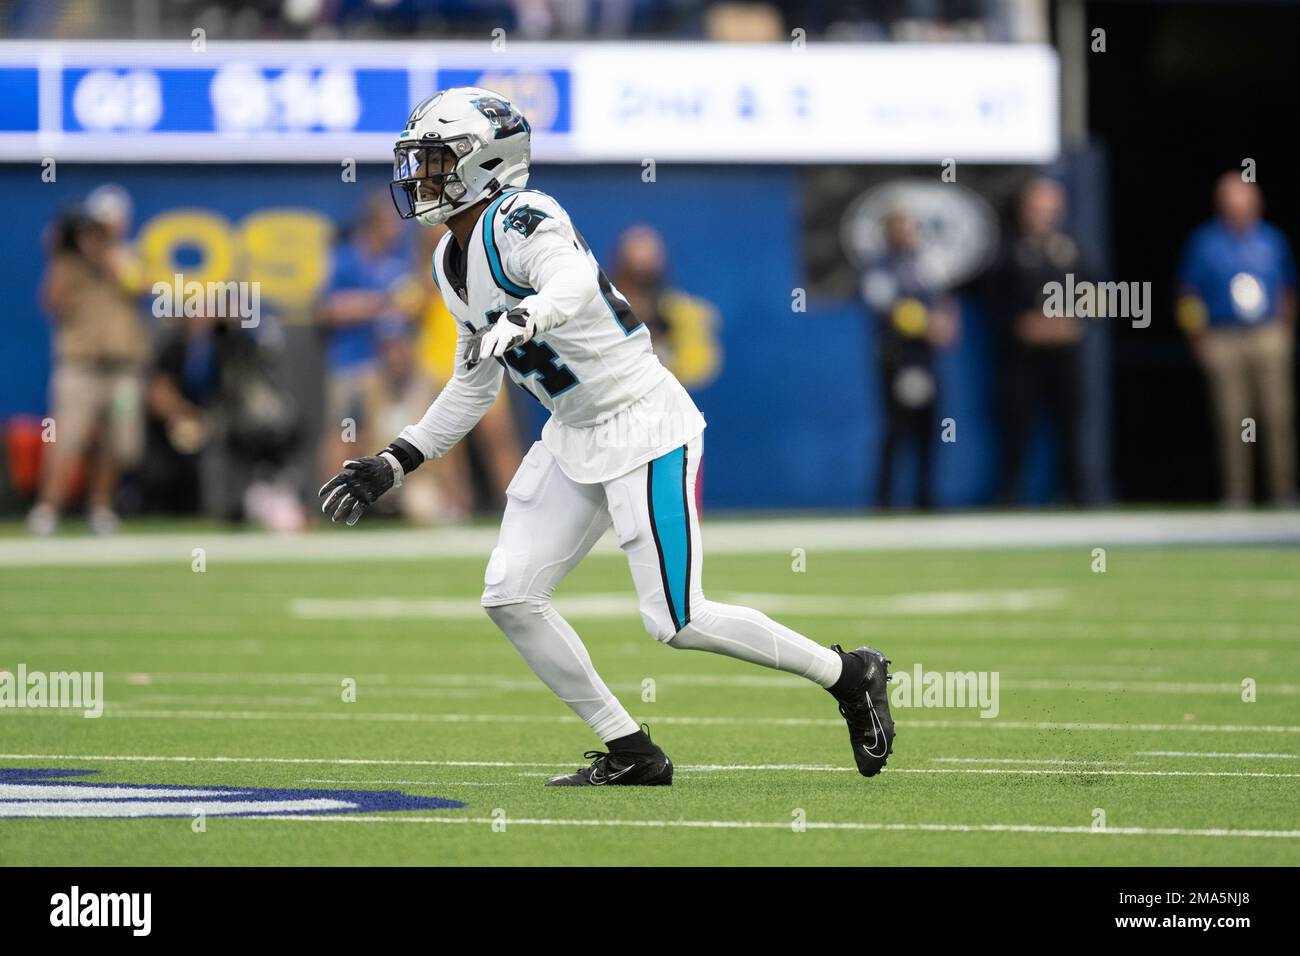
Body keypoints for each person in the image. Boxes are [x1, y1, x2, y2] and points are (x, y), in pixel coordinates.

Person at [319, 87, 894, 786]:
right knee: (510, 597)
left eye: (437, 161)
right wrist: (395, 458)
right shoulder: (449, 260)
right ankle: (631, 750)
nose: (421, 178)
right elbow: (474, 381)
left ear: (486, 162)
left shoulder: (524, 216)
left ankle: (849, 674)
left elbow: (572, 283)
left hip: (644, 423)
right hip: (575, 432)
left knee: (676, 619)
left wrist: (528, 317)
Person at [28, 207, 149, 536]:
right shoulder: (67, 265)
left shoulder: (125, 257)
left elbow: (138, 285)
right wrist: (59, 256)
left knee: (119, 442)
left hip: (121, 369)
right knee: (66, 439)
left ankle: (101, 508)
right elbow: (50, 303)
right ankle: (48, 508)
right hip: (79, 367)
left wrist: (104, 256)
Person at [1178, 174, 1296, 506]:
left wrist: (1284, 332)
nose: (1238, 206)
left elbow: (1287, 290)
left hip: (1267, 334)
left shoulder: (1271, 240)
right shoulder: (1205, 243)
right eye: (1231, 200)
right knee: (1233, 419)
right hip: (1223, 337)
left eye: (1243, 199)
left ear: (1256, 203)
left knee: (1277, 415)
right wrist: (1198, 339)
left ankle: (1283, 492)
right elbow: (1188, 295)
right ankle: (1237, 494)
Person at [994, 178, 1091, 505]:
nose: (1044, 216)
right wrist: (1022, 325)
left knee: (1070, 426)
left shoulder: (1071, 251)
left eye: (1050, 210)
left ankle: (1076, 494)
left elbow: (1097, 295)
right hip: (1022, 358)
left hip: (1064, 356)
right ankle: (1010, 494)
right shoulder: (1009, 252)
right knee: (1017, 426)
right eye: (1037, 209)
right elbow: (996, 304)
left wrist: (1072, 321)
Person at [861, 208, 958, 509]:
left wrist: (946, 322)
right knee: (896, 429)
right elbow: (887, 307)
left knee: (929, 429)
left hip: (926, 359)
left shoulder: (924, 264)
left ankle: (925, 496)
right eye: (899, 227)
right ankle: (885, 499)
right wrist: (927, 324)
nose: (906, 233)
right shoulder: (879, 268)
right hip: (897, 359)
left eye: (910, 227)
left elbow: (942, 299)